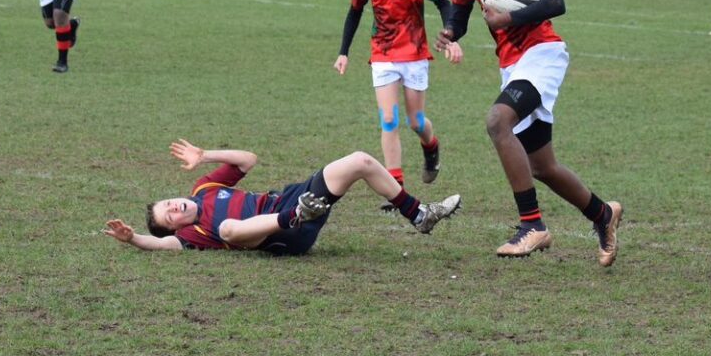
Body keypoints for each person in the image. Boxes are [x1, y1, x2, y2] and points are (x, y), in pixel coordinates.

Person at [437, 0, 622, 263]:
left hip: (542, 55)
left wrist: (508, 19)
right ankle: (603, 214)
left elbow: (555, 1)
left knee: (497, 121)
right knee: (542, 166)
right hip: (511, 64)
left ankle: (532, 225)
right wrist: (450, 32)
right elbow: (459, 15)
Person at [104, 139, 461, 255]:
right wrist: (133, 238)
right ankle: (297, 217)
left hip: (290, 200)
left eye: (169, 202)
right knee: (229, 229)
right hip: (282, 234)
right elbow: (160, 245)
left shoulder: (204, 187)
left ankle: (419, 215)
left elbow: (248, 160)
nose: (175, 208)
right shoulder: (191, 236)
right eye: (170, 217)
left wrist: (205, 155)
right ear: (176, 228)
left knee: (359, 161)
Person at [335, 0, 460, 192]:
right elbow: (354, 14)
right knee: (388, 118)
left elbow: (443, 2)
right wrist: (343, 52)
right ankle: (396, 187)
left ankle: (431, 146)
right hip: (383, 55)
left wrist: (451, 36)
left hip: (415, 55)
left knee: (415, 121)